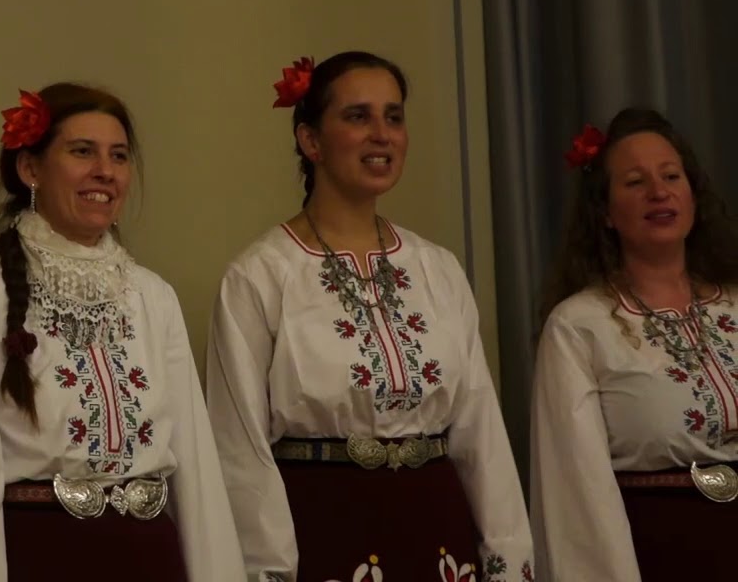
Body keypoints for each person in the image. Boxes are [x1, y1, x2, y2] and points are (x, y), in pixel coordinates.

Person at [207, 52, 533, 581]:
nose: (382, 134)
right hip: (326, 528)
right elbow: (239, 448)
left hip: (438, 528)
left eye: (394, 117)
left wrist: (507, 559)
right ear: (311, 141)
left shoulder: (436, 268)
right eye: (358, 116)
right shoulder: (261, 275)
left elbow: (481, 432)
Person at [0, 84, 245, 581]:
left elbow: (196, 468)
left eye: (119, 156)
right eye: (82, 151)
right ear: (30, 168)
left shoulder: (152, 297)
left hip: (150, 557)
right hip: (44, 556)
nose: (105, 171)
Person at [531, 108, 738, 581]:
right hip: (661, 552)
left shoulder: (733, 303)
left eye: (671, 176)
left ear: (694, 195)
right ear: (604, 211)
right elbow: (576, 489)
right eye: (635, 182)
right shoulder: (579, 326)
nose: (659, 191)